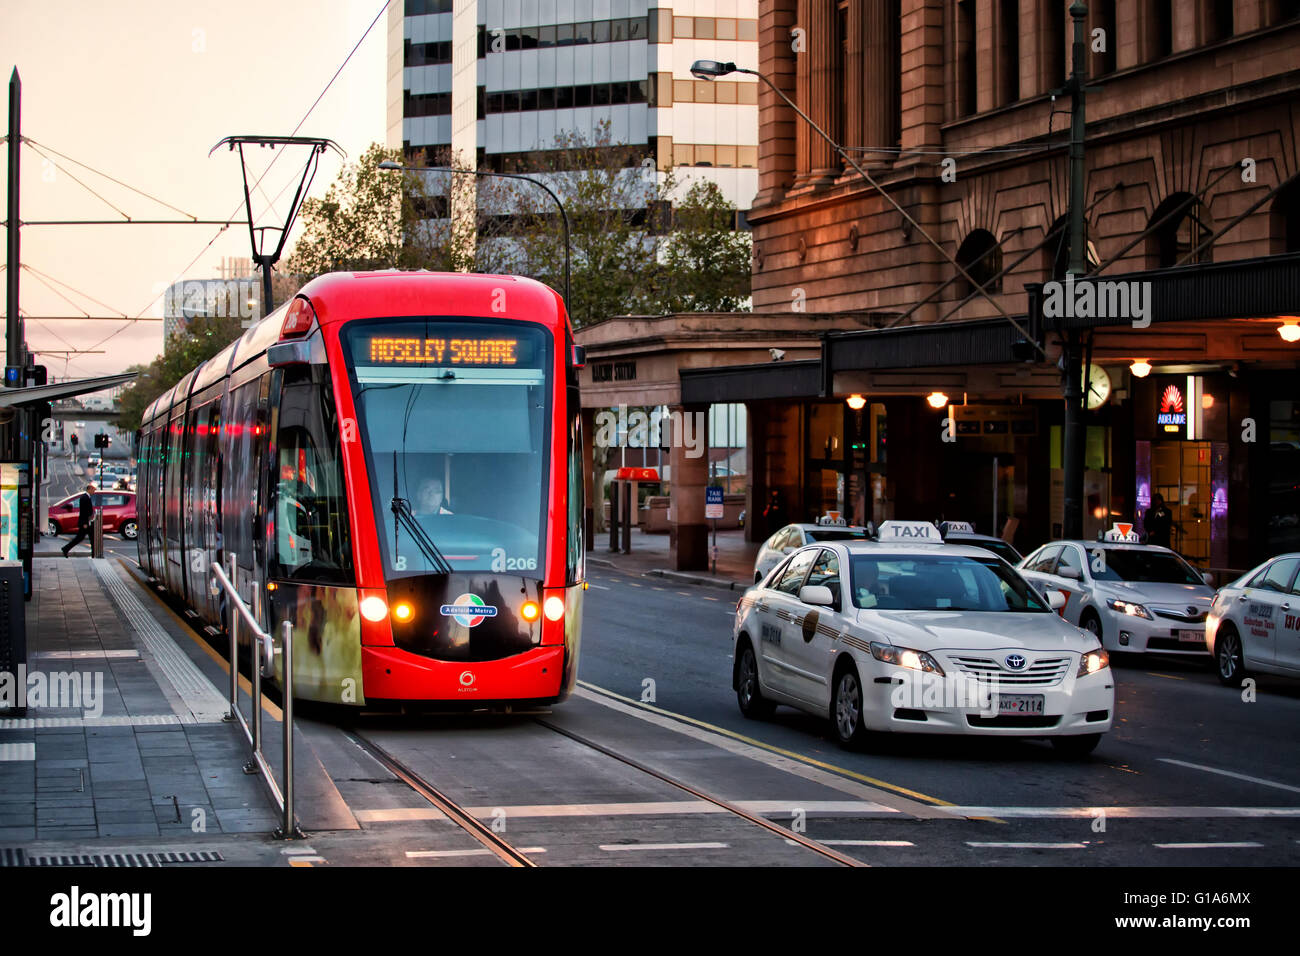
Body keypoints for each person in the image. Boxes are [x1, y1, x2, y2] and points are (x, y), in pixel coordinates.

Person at [61, 484, 96, 557]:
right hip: (85, 522)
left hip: (86, 522)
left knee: (89, 537)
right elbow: (83, 511)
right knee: (81, 538)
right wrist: (84, 523)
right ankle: (65, 549)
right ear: (89, 489)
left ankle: (94, 553)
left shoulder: (87, 497)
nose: (94, 492)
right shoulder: (85, 498)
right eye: (93, 490)